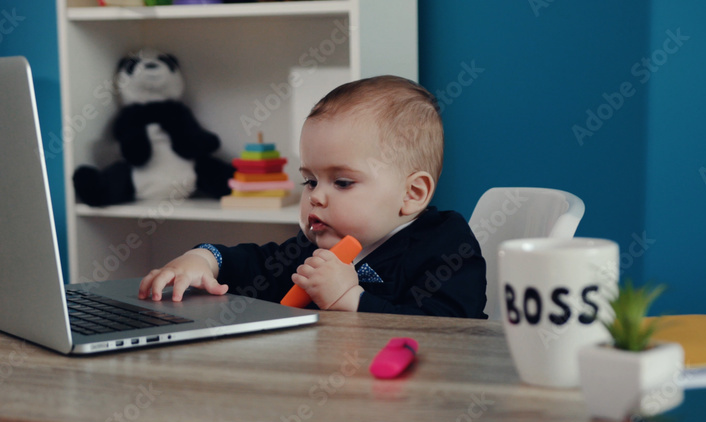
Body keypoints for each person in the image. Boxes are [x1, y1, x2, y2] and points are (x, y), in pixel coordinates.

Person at [138, 75, 487, 318]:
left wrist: (351, 299)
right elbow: (257, 264)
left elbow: (446, 329)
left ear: (412, 194)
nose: (316, 197)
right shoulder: (318, 244)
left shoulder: (446, 246)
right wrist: (203, 260)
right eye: (309, 181)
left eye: (343, 182)